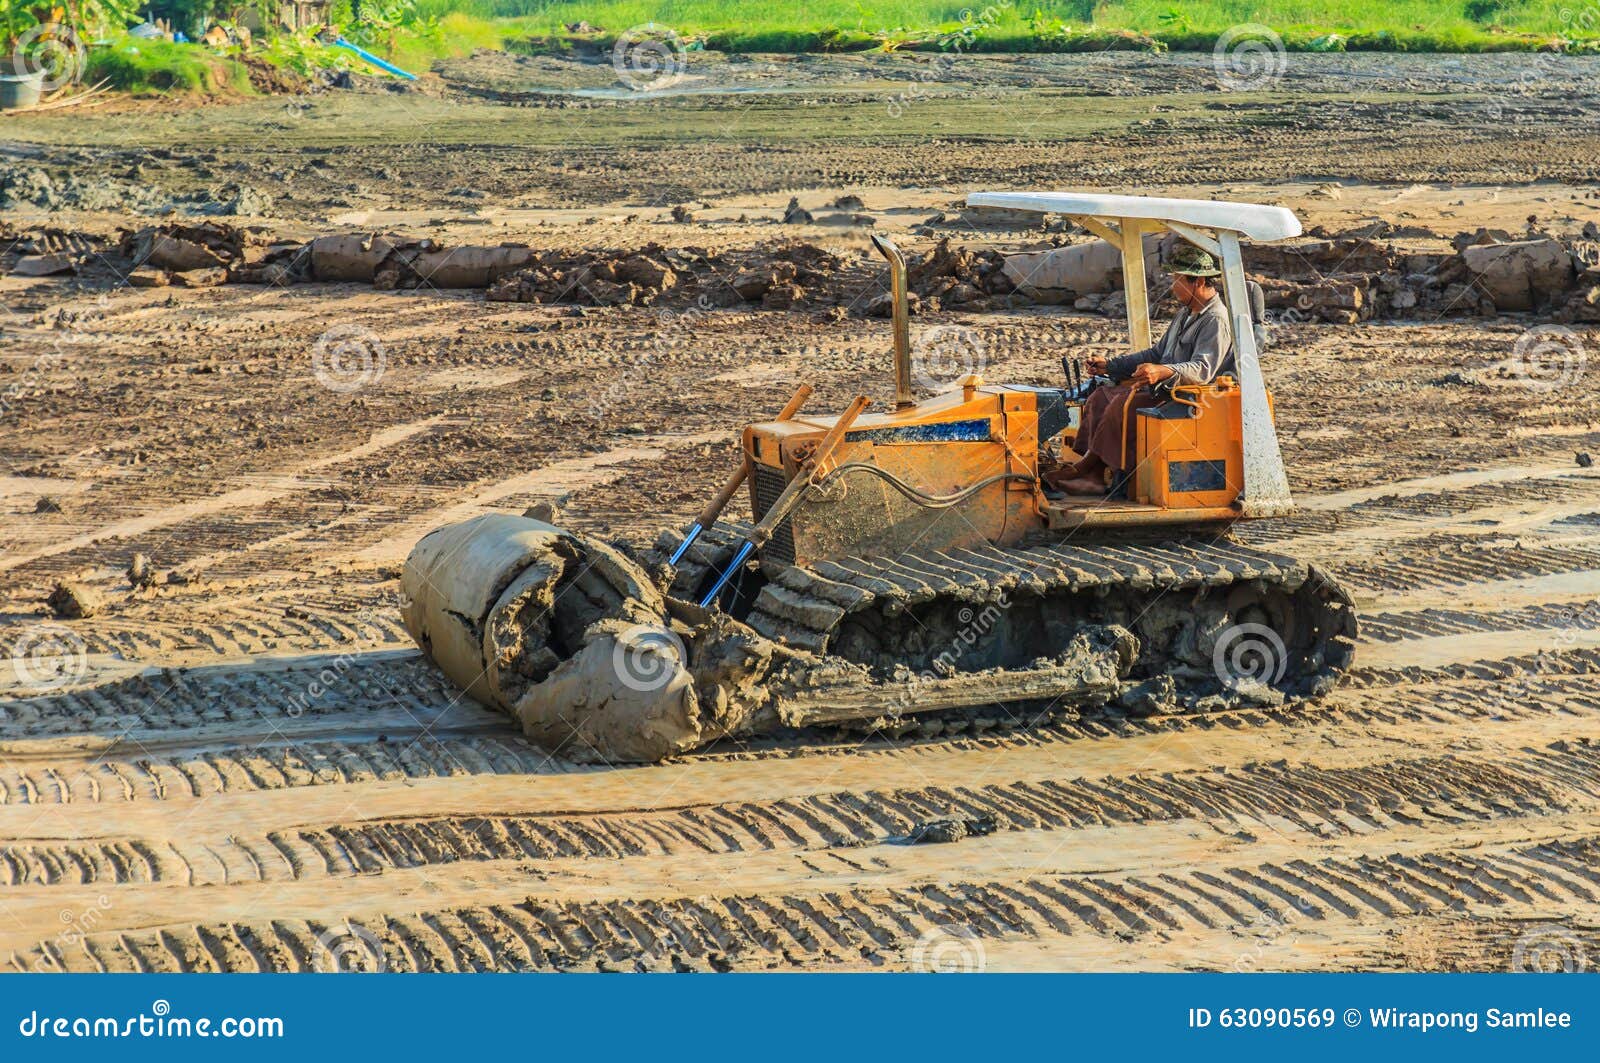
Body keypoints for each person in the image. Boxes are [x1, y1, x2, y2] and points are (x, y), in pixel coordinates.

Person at [1048, 244, 1235, 496]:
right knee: (1100, 397)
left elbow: (1203, 369)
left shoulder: (1215, 320)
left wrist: (1163, 371)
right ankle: (1093, 471)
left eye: (1177, 279)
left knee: (1121, 405)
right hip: (1164, 390)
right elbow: (1156, 353)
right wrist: (1111, 365)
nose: (1173, 286)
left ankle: (1088, 471)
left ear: (1198, 281)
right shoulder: (1185, 313)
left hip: (1185, 397)